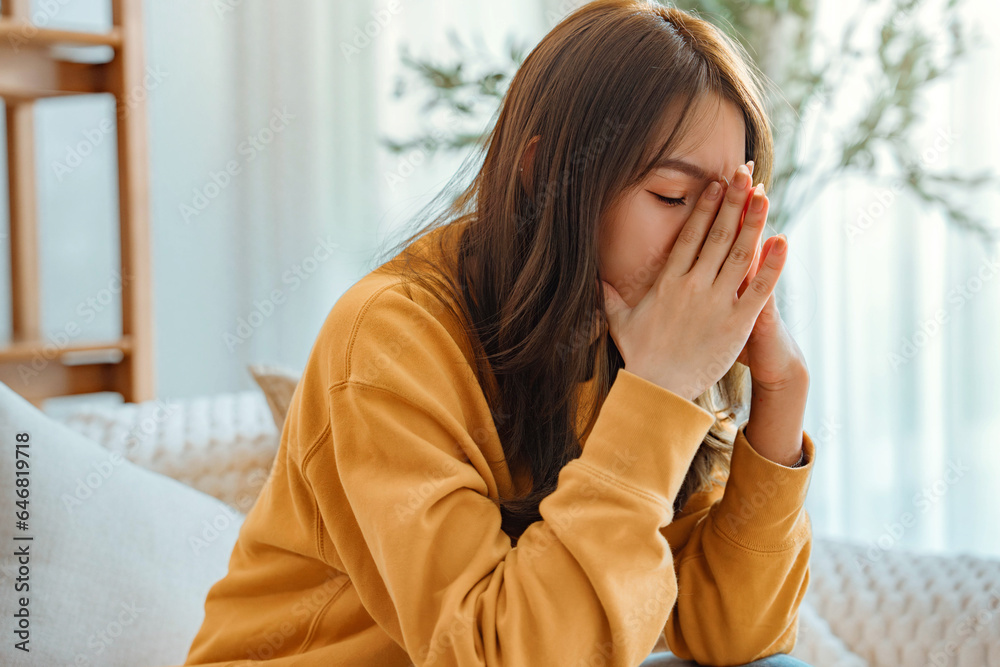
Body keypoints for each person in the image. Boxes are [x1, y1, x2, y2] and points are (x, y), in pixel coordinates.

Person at [181, 1, 818, 665]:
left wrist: (777, 398)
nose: (705, 243)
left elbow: (732, 635)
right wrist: (658, 393)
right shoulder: (389, 339)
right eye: (672, 198)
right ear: (546, 176)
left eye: (727, 209)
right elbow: (495, 653)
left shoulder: (632, 343)